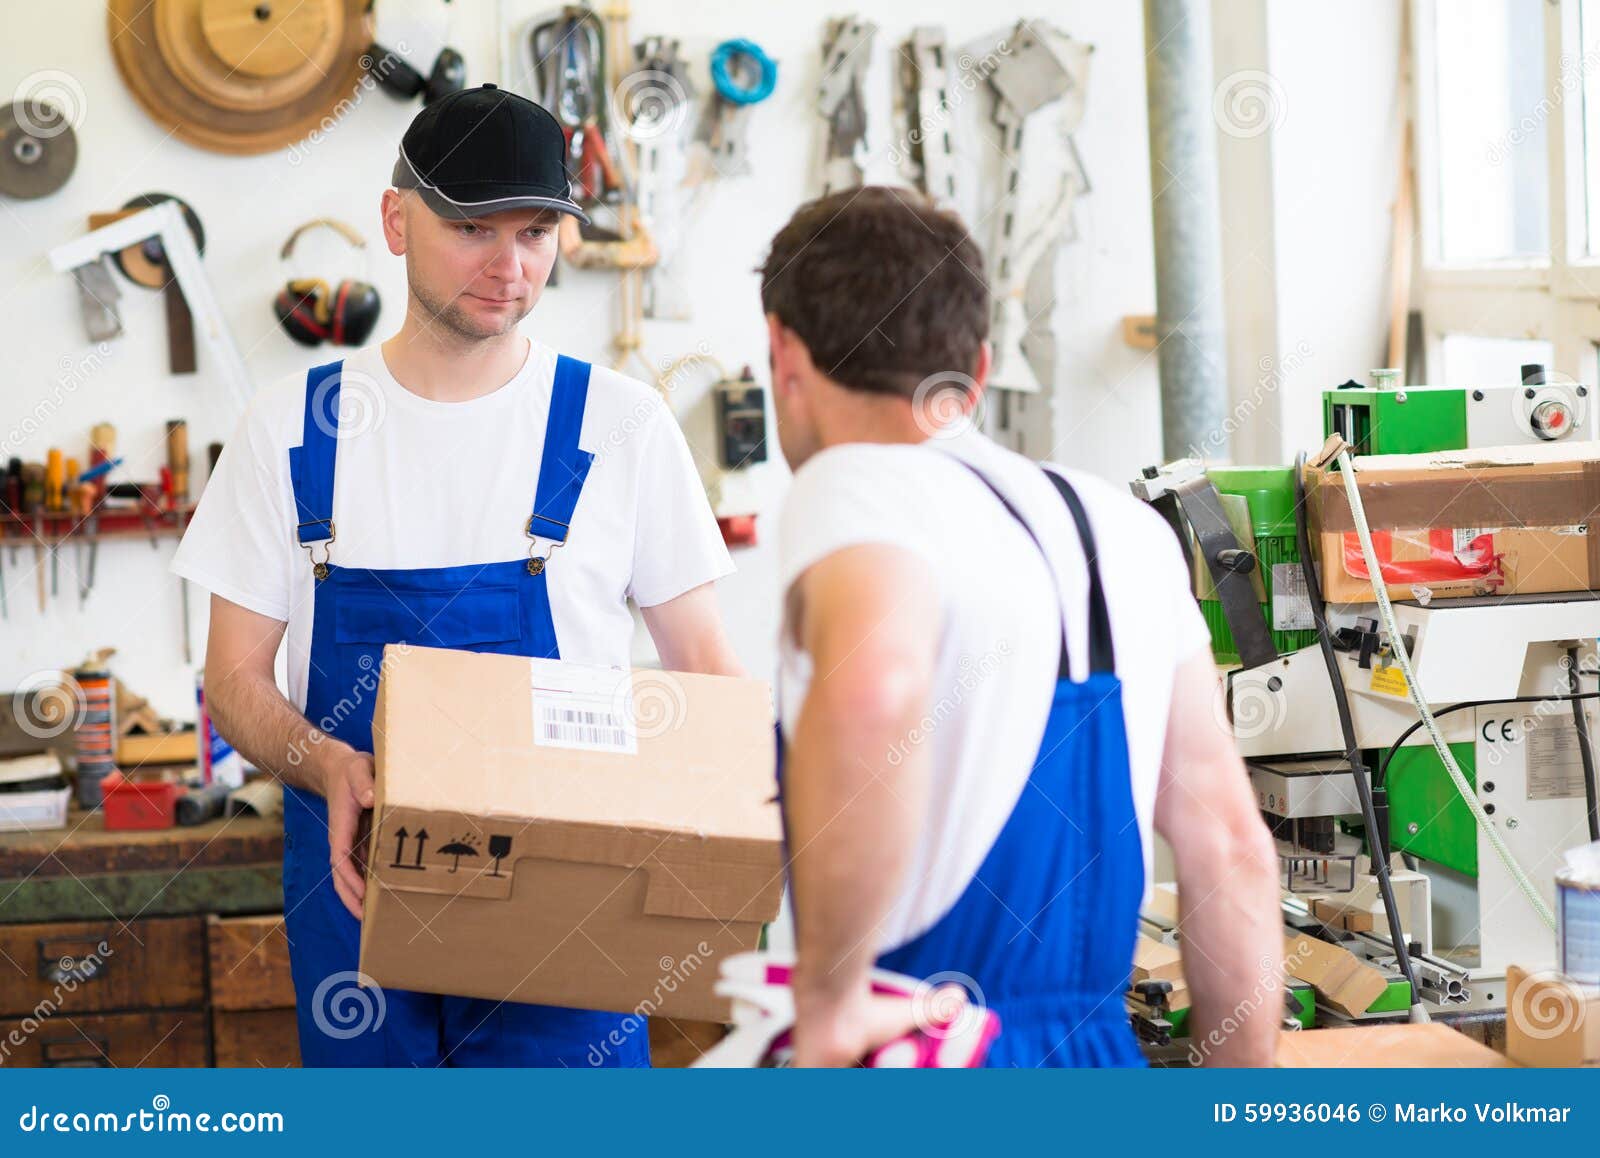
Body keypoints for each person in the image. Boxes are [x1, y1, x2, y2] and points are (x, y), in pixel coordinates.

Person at [172, 85, 740, 1067]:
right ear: (396, 221)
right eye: (472, 227)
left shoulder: (622, 426)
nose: (508, 266)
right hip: (354, 899)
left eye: (535, 232)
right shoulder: (288, 430)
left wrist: (701, 862)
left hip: (569, 906)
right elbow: (233, 679)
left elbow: (706, 676)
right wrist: (329, 767)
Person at [761, 187, 1281, 1068]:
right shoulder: (1122, 528)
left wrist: (831, 1002)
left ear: (783, 352)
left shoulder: (853, 485)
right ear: (981, 362)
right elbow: (1228, 843)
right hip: (1095, 1059)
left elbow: (878, 692)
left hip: (919, 1056)